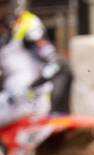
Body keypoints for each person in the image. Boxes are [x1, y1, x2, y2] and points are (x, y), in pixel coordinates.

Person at [0, 0, 66, 129]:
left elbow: (55, 63)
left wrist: (31, 89)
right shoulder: (4, 32)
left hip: (30, 101)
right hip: (9, 99)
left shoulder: (29, 24)